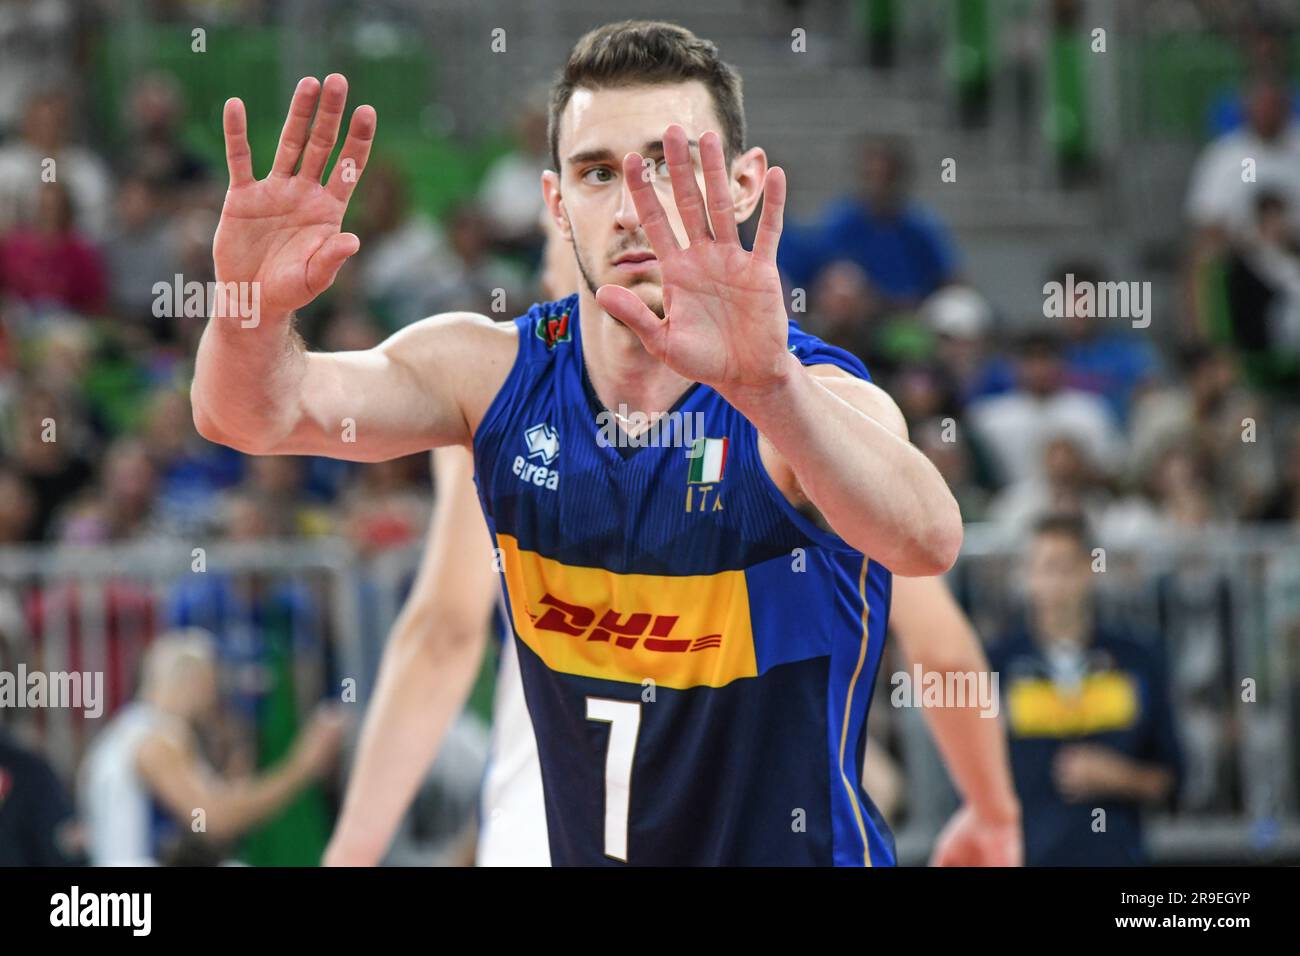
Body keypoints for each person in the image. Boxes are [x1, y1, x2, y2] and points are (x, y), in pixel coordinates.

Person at [192, 20, 963, 865]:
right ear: (557, 202)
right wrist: (249, 308)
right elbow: (254, 416)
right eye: (599, 173)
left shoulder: (806, 399)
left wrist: (769, 386)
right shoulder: (487, 376)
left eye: (668, 164)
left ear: (743, 185)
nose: (633, 208)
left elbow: (927, 538)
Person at [325, 445, 1020, 867]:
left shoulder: (491, 398)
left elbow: (444, 633)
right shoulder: (785, 408)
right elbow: (935, 633)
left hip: (546, 825)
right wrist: (993, 812)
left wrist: (351, 854)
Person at [986, 513, 1183, 866]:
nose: (1054, 583)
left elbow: (1171, 774)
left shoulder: (1138, 660)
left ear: (1089, 571)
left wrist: (1121, 777)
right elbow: (970, 784)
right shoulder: (993, 665)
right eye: (1043, 567)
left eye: (1065, 567)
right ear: (1026, 577)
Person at [79, 628, 343, 865]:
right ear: (194, 682)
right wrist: (303, 765)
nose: (214, 700)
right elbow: (215, 818)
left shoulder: (122, 734)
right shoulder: (159, 740)